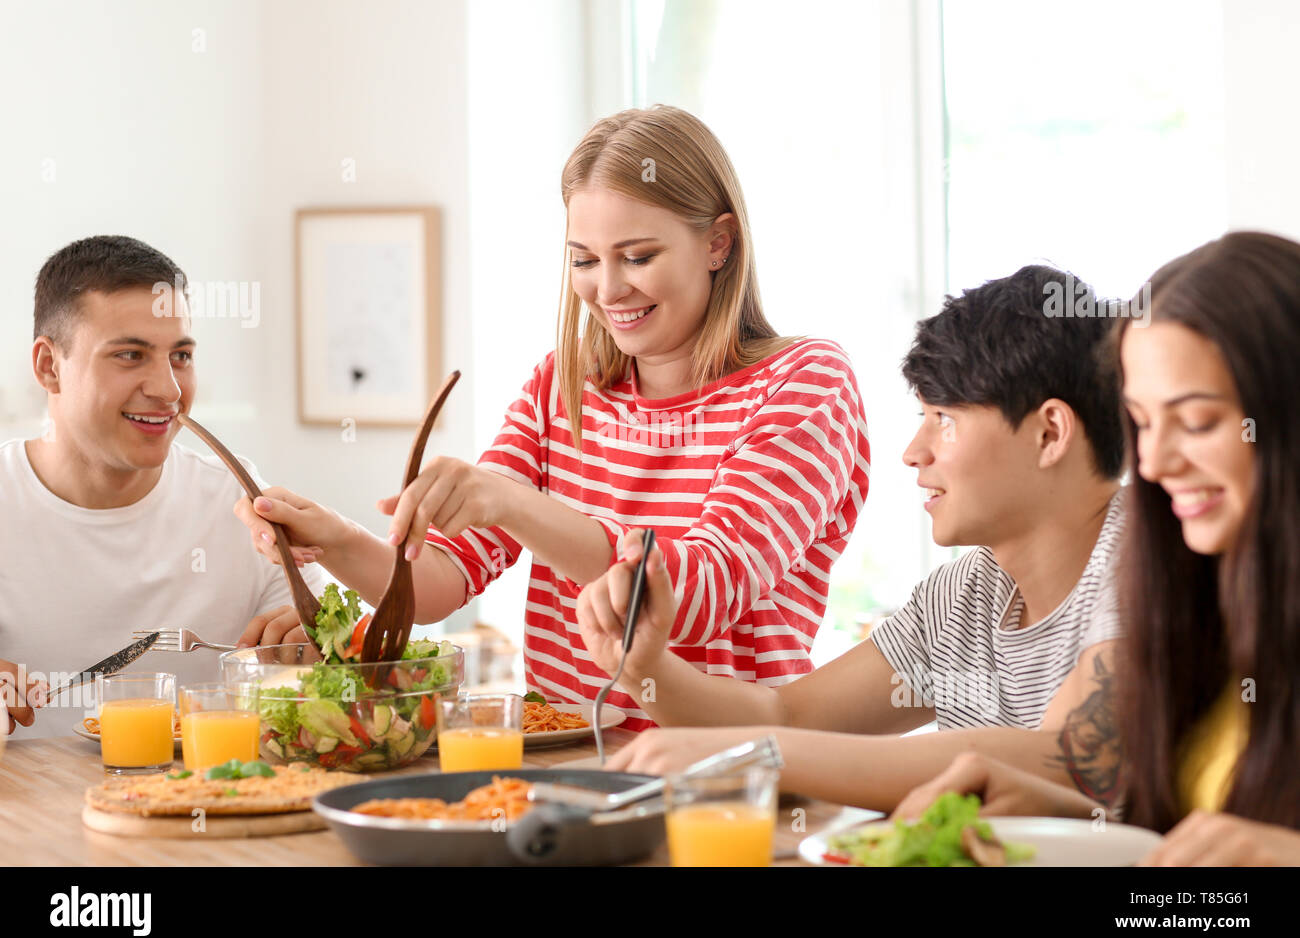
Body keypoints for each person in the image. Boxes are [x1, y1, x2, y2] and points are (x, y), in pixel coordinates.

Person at [234, 105, 872, 731]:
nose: (609, 289)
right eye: (585, 260)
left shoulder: (805, 383)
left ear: (718, 243)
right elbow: (435, 586)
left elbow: (695, 598)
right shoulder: (560, 386)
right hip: (566, 767)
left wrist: (509, 502)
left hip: (732, 776)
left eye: (638, 256)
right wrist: (336, 537)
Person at [582, 265, 1132, 810]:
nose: (914, 452)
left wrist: (754, 756)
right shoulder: (967, 594)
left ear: (1049, 433)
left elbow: (1068, 761)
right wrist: (646, 668)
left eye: (943, 418)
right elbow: (789, 718)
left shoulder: (1145, 560)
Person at [893, 231, 1300, 866]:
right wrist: (1062, 816)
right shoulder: (1208, 611)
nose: (1156, 462)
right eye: (1142, 422)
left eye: (1196, 422)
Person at [0, 235, 324, 737]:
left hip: (209, 805)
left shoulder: (241, 502)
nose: (169, 391)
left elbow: (342, 665)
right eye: (130, 355)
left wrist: (323, 651)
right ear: (49, 366)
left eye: (180, 356)